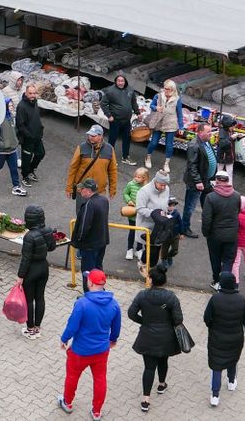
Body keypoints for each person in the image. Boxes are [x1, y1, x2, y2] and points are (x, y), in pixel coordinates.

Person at [57, 269, 121, 418]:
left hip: (80, 350)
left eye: (87, 279)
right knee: (100, 379)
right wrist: (113, 340)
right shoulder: (114, 304)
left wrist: (64, 339)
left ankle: (67, 402)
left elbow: (72, 326)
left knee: (72, 376)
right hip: (101, 351)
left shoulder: (82, 304)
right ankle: (97, 411)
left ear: (91, 283)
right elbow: (116, 327)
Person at [128, 263, 183, 412]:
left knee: (149, 367)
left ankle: (145, 399)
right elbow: (178, 319)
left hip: (147, 336)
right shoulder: (171, 297)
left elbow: (131, 314)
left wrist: (144, 322)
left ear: (151, 280)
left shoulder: (142, 295)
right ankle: (161, 384)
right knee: (163, 360)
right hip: (166, 337)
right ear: (164, 281)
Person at [203, 272, 245, 408]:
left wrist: (212, 327)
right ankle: (231, 382)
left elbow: (207, 318)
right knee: (232, 359)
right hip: (235, 338)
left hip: (217, 338)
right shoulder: (241, 299)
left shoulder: (215, 299)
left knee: (216, 365)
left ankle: (215, 395)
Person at [16, 205, 56, 339]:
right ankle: (38, 328)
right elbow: (51, 247)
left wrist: (20, 276)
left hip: (31, 270)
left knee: (29, 300)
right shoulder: (48, 230)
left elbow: (25, 259)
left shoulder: (29, 236)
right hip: (44, 267)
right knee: (40, 297)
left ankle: (30, 329)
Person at [201, 172, 242, 287]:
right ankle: (225, 283)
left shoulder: (210, 197)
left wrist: (206, 233)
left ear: (217, 181)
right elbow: (237, 212)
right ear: (228, 181)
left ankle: (217, 281)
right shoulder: (236, 195)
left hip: (215, 236)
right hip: (232, 235)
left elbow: (206, 219)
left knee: (215, 259)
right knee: (229, 260)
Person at [180, 124, 214, 238]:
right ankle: (184, 228)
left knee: (208, 205)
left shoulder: (207, 141)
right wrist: (197, 181)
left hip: (206, 180)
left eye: (211, 131)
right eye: (208, 132)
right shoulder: (194, 145)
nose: (211, 134)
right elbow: (192, 166)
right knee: (190, 206)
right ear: (200, 132)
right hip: (196, 183)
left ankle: (208, 226)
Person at [67, 124, 118, 200]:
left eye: (93, 135)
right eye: (89, 135)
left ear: (101, 136)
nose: (90, 137)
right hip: (83, 191)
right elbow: (73, 168)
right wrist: (69, 188)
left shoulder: (110, 149)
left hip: (99, 192)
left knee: (97, 212)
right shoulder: (81, 147)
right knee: (81, 211)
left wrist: (112, 190)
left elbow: (112, 171)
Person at [73, 177, 110, 279]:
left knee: (88, 274)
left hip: (90, 246)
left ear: (88, 191)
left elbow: (84, 226)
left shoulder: (89, 204)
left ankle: (89, 294)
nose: (80, 190)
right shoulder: (103, 200)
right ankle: (99, 290)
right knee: (98, 269)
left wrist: (79, 241)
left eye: (82, 189)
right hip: (102, 242)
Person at [143, 80, 184, 170]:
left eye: (168, 89)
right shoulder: (158, 96)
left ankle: (166, 163)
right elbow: (152, 105)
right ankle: (148, 157)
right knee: (154, 142)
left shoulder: (177, 99)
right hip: (158, 121)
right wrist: (156, 108)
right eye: (165, 88)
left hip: (171, 123)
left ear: (173, 90)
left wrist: (181, 127)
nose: (166, 91)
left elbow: (180, 113)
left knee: (169, 145)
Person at [100, 75, 138, 165]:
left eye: (122, 81)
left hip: (126, 120)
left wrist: (138, 112)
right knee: (112, 139)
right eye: (118, 81)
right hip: (115, 120)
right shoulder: (111, 91)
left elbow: (133, 102)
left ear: (125, 81)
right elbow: (103, 103)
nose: (120, 82)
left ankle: (125, 157)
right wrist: (109, 116)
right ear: (116, 81)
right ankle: (109, 158)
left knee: (127, 139)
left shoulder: (130, 89)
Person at [17, 84, 46, 185]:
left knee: (41, 153)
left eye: (34, 93)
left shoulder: (35, 103)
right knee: (26, 158)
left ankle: (31, 170)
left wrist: (41, 129)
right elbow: (20, 125)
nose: (33, 95)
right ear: (26, 93)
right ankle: (25, 176)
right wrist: (29, 135)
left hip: (37, 137)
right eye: (30, 93)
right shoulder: (21, 106)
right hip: (28, 138)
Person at [121, 168, 149, 260]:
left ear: (144, 178)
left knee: (140, 232)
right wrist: (129, 200)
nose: (136, 178)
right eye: (135, 176)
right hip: (132, 214)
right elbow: (125, 193)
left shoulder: (147, 187)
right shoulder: (131, 184)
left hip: (142, 215)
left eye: (139, 177)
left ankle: (139, 249)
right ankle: (129, 249)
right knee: (132, 231)